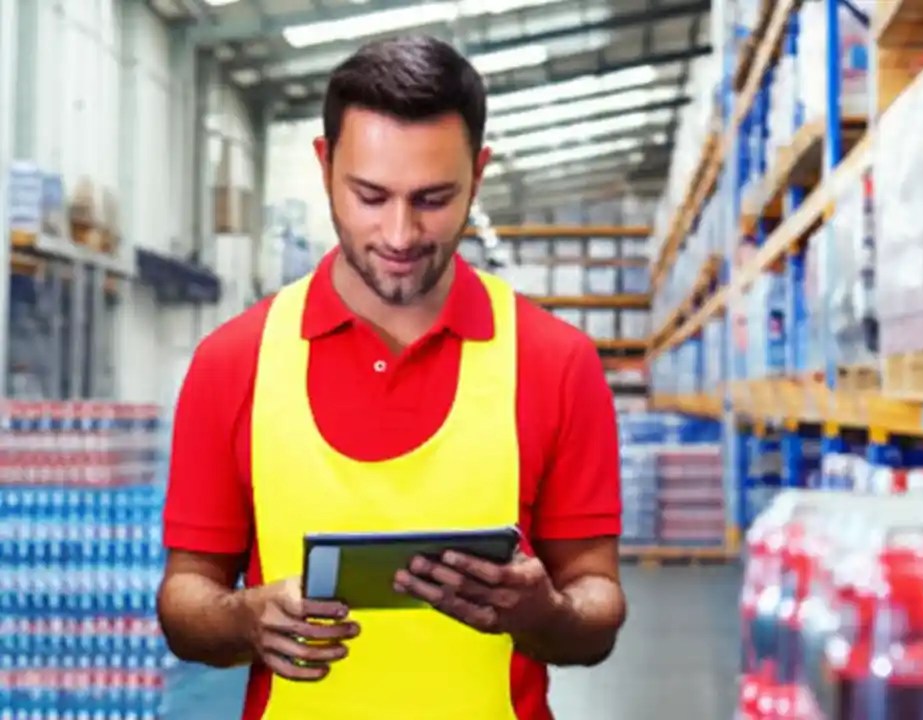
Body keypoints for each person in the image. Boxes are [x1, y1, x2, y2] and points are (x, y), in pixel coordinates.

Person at [155, 35, 627, 720]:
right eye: (370, 196)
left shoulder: (556, 363)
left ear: (479, 174)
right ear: (325, 166)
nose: (400, 234)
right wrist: (244, 619)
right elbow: (184, 598)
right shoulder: (234, 362)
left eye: (433, 198)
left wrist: (546, 613)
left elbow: (597, 599)